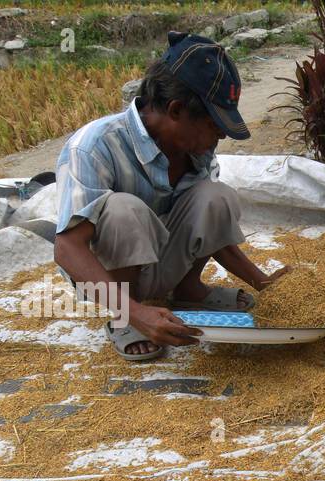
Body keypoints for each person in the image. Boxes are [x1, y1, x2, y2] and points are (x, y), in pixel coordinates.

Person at [53, 32, 289, 361]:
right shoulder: (94, 145)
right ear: (176, 110)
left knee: (215, 196)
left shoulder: (195, 150)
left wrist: (263, 282)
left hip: (164, 263)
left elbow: (209, 225)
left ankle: (188, 290)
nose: (220, 134)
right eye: (213, 124)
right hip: (109, 279)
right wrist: (136, 313)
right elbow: (67, 248)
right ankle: (125, 316)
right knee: (124, 210)